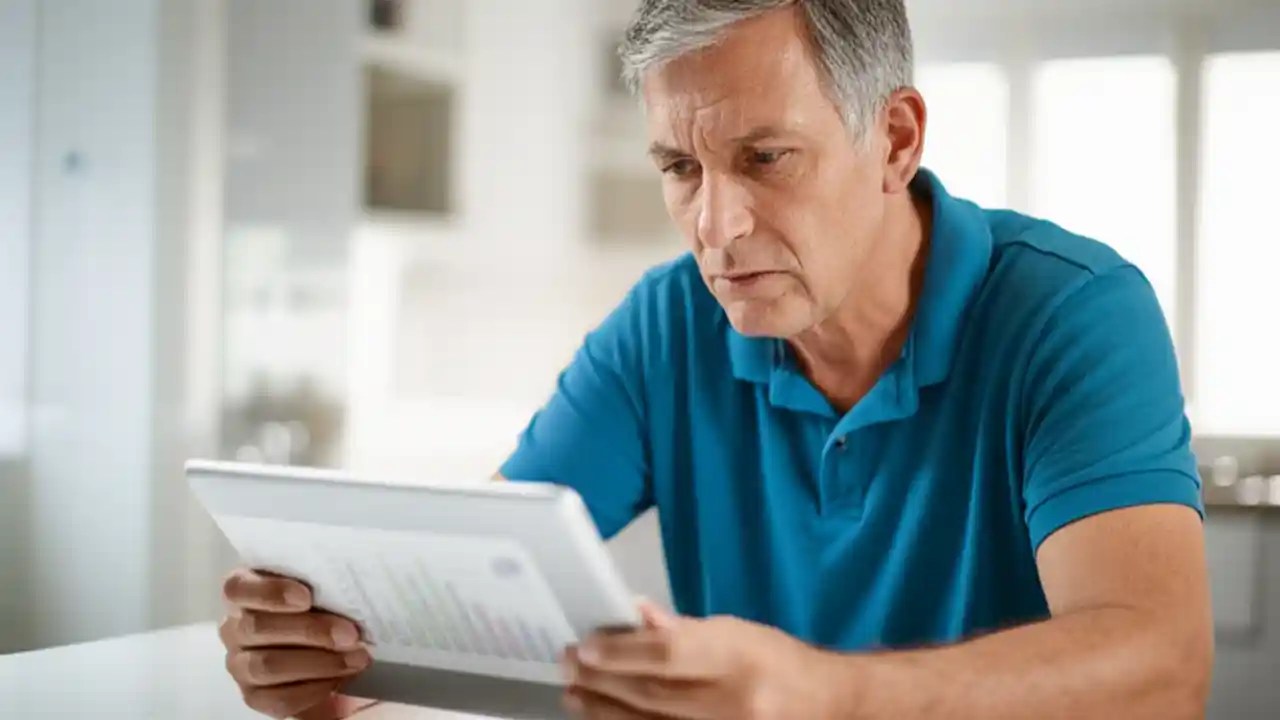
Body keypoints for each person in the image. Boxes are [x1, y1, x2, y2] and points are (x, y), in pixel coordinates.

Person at [219, 1, 1213, 718]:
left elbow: (1160, 667)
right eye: (679, 167)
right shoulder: (664, 327)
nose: (716, 227)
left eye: (764, 159)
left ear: (894, 139)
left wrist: (824, 694)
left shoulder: (1071, 312)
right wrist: (339, 666)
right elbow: (484, 586)